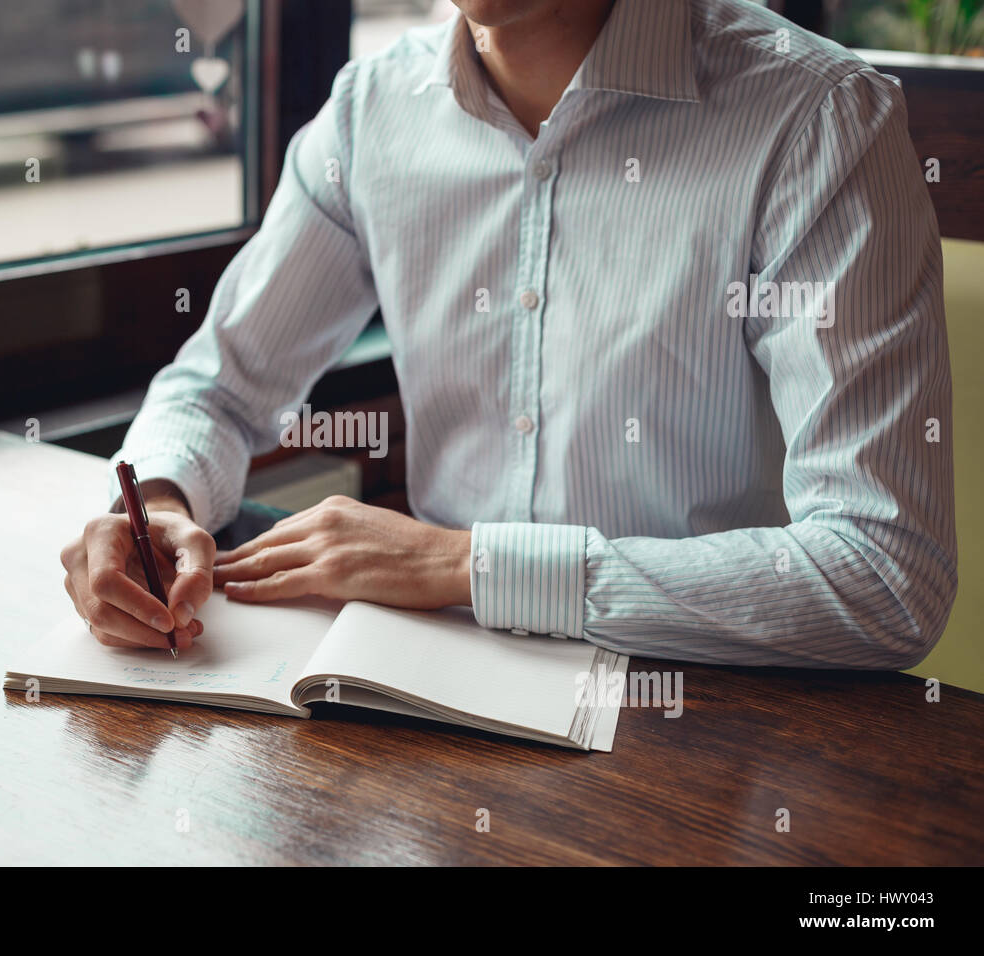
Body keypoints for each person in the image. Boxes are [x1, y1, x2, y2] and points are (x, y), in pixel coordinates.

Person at [60, 0, 956, 669]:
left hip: (709, 703)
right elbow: (220, 384)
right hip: (426, 686)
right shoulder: (373, 111)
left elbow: (883, 575)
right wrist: (159, 508)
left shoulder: (818, 120)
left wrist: (468, 565)